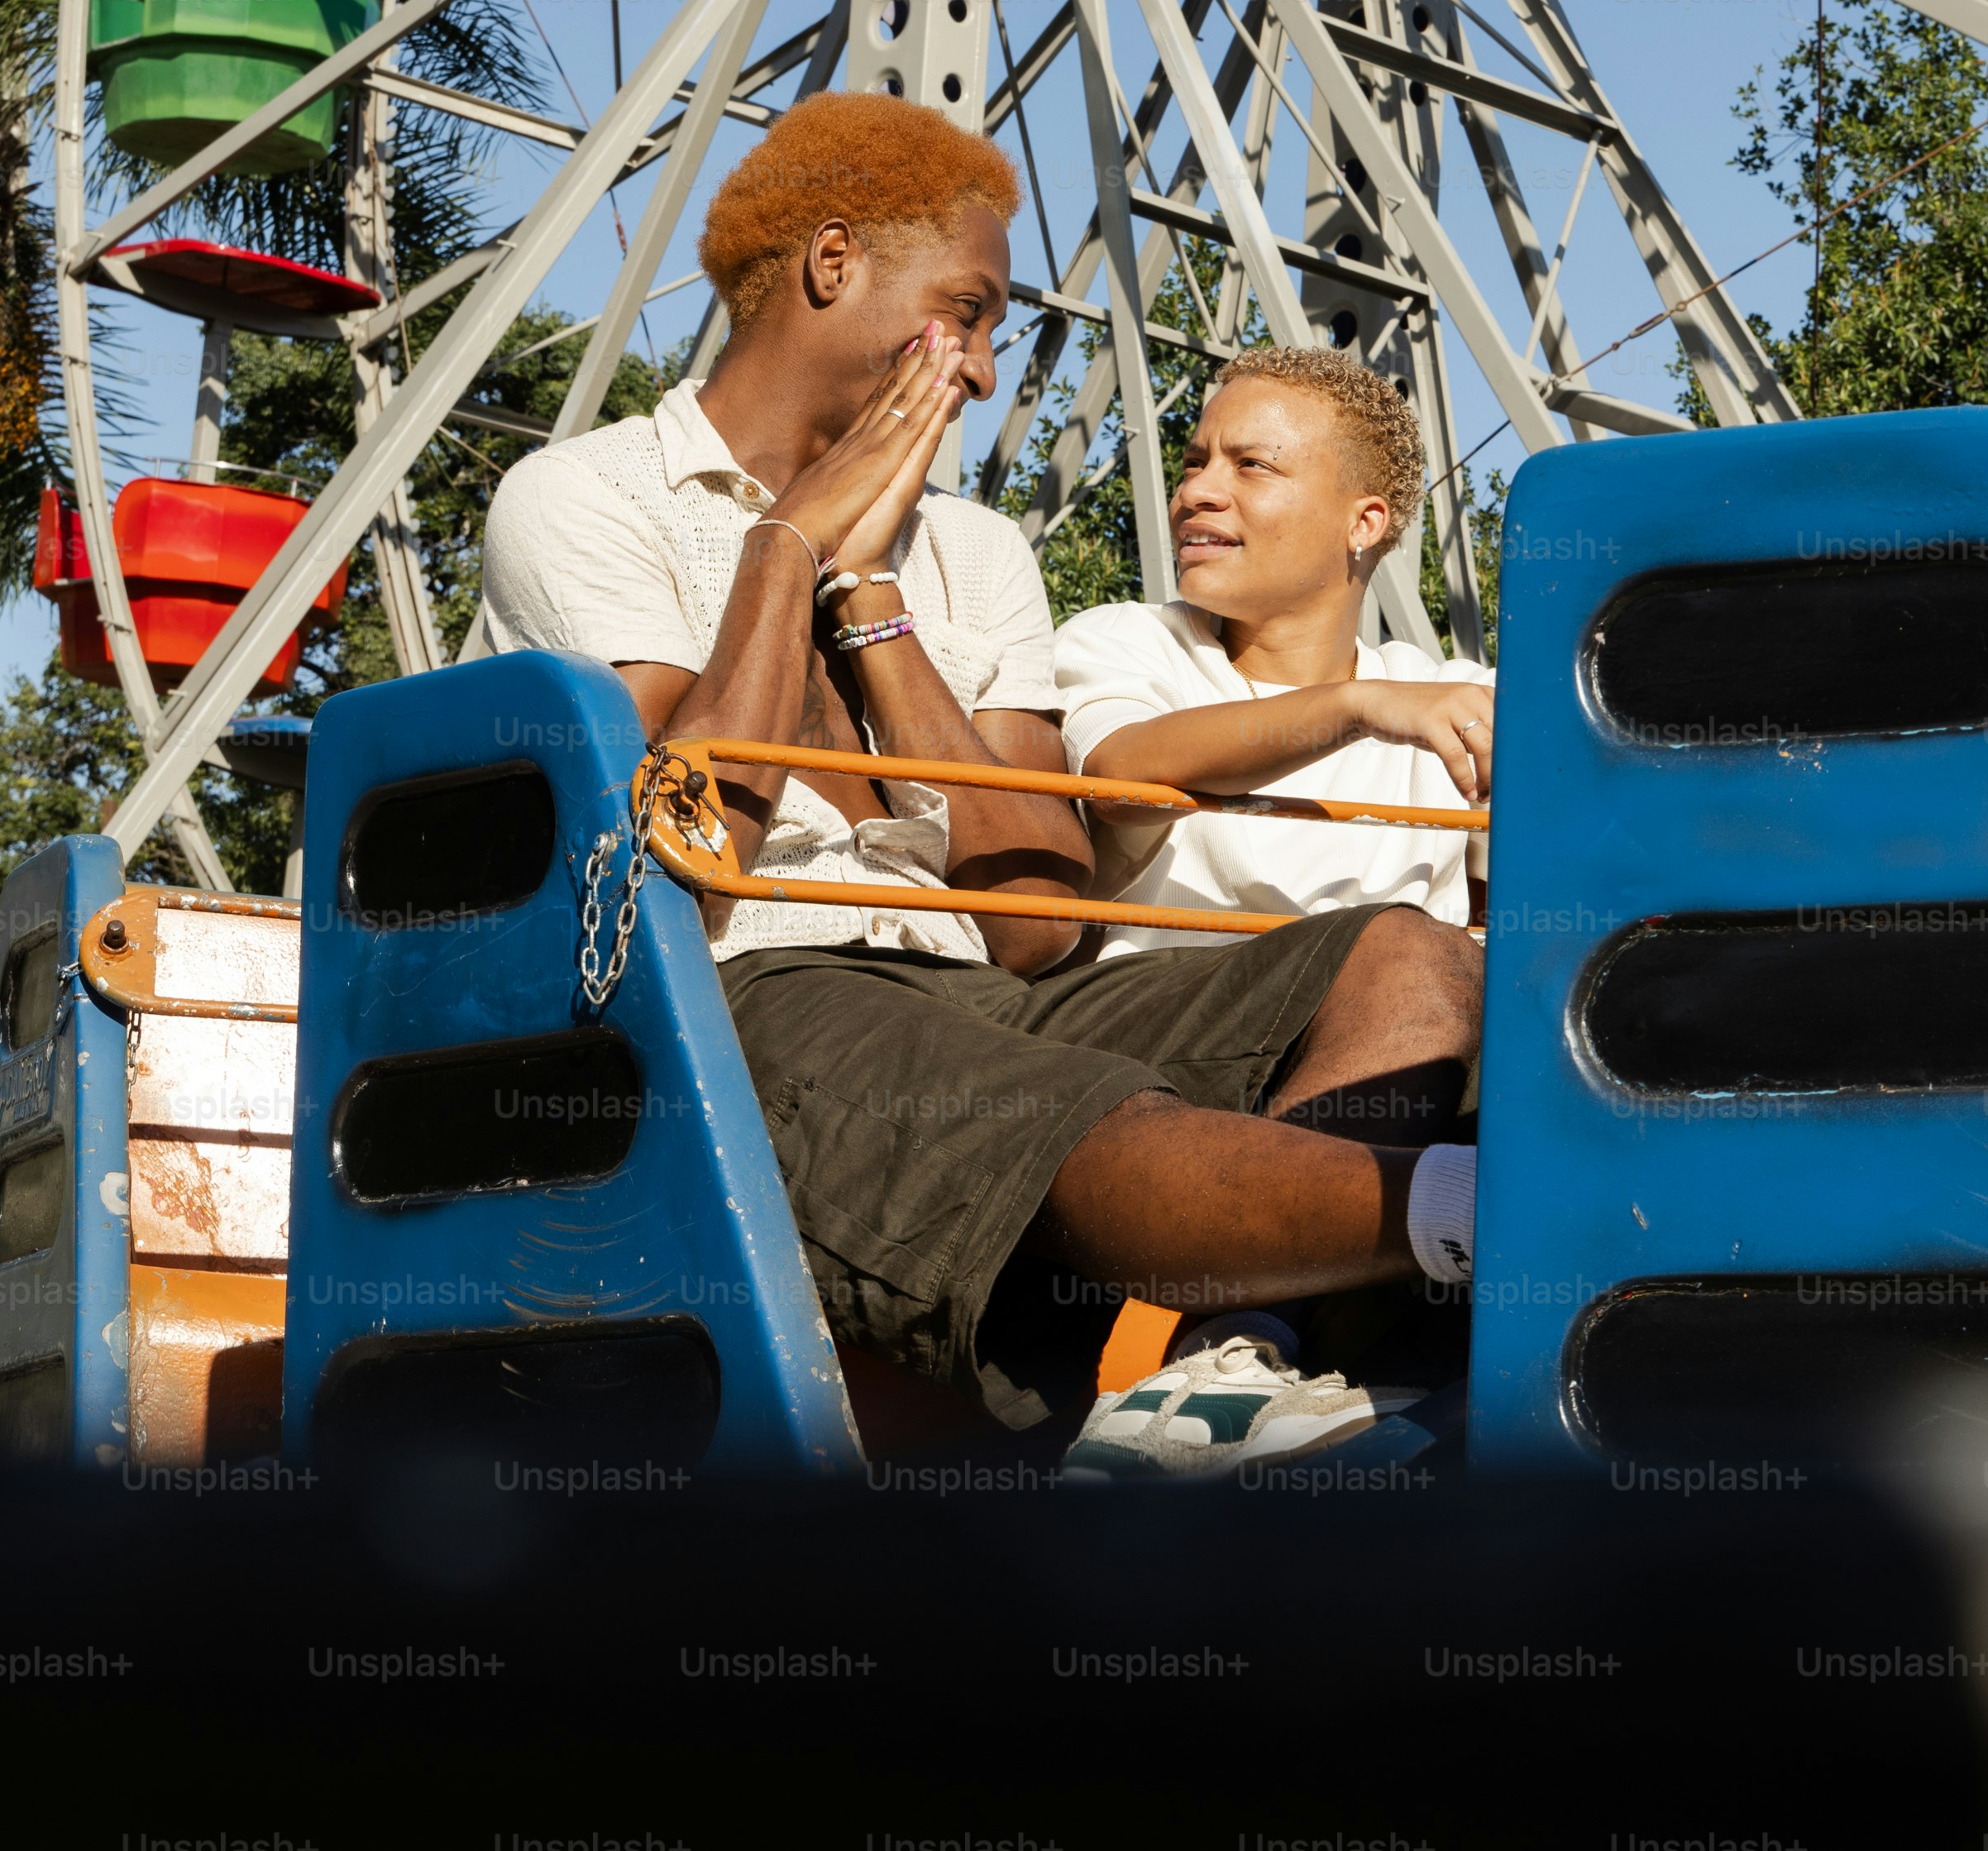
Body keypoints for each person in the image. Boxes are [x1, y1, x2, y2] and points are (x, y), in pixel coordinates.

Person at [466, 93, 1478, 1474]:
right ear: (834, 266)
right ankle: (1514, 1214)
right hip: (748, 985)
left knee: (1403, 960)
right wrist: (780, 556)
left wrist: (871, 598)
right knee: (1053, 1108)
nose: (988, 370)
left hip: (981, 989)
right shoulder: (585, 498)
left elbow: (1037, 923)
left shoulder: (974, 553)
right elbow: (686, 861)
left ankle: (1228, 1368)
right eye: (971, 311)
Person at [1053, 346, 1493, 965]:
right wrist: (1354, 707)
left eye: (1252, 465)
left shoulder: (1456, 695)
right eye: (1194, 463)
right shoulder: (1128, 641)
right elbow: (1120, 777)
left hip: (1402, 1026)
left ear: (1363, 523)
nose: (1196, 493)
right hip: (1176, 1033)